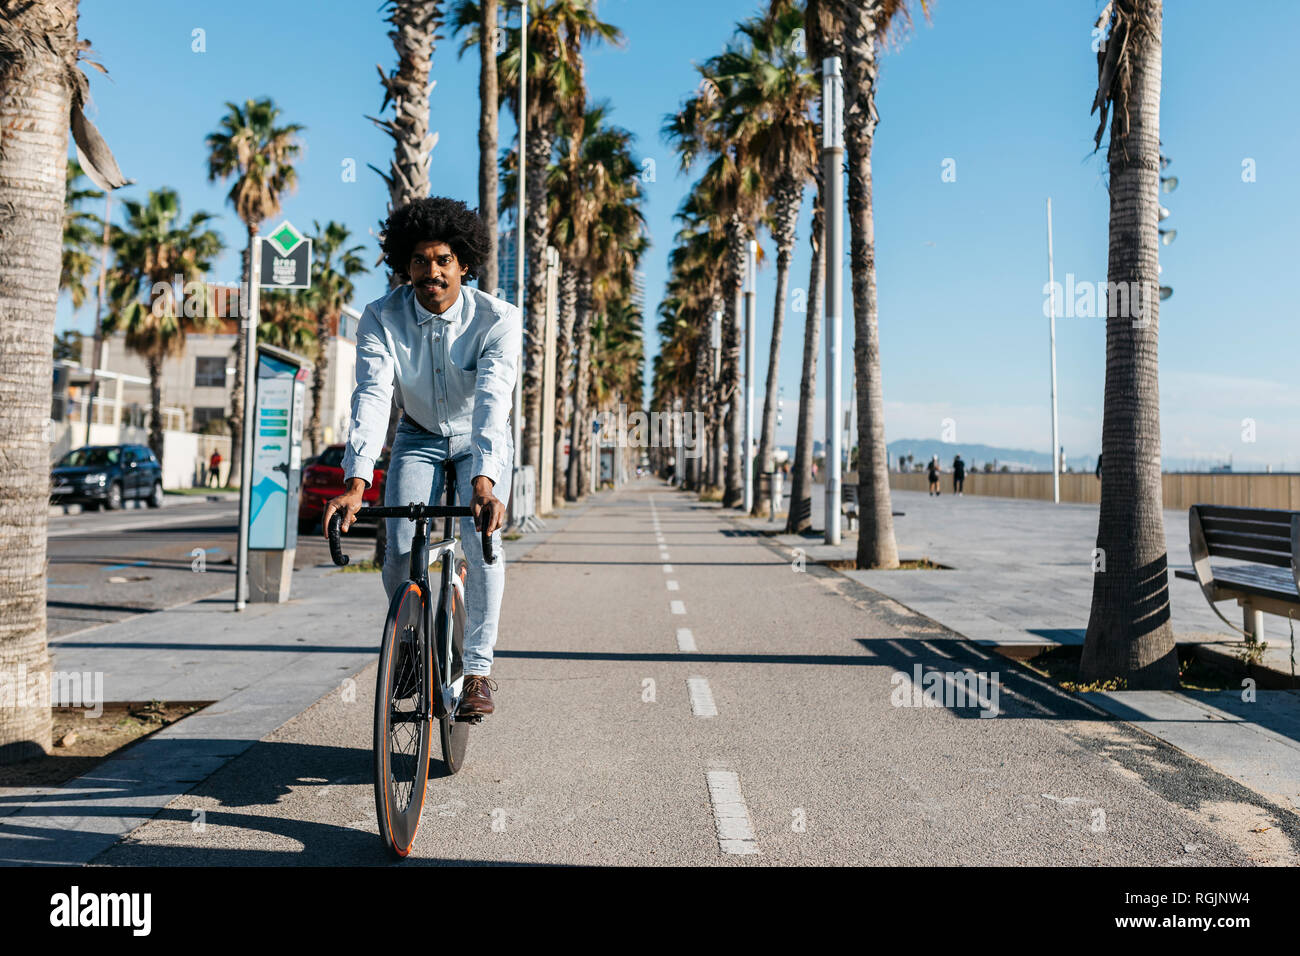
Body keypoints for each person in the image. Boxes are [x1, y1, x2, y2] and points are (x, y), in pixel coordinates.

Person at [323, 197, 518, 720]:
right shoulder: (380, 318)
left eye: (442, 261)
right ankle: (408, 645)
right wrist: (357, 481)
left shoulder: (498, 320)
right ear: (404, 265)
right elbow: (371, 396)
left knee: (483, 542)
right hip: (417, 434)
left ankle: (477, 670)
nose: (430, 272)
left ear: (463, 265)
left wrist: (484, 482)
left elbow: (495, 404)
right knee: (400, 547)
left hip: (479, 440)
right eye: (419, 262)